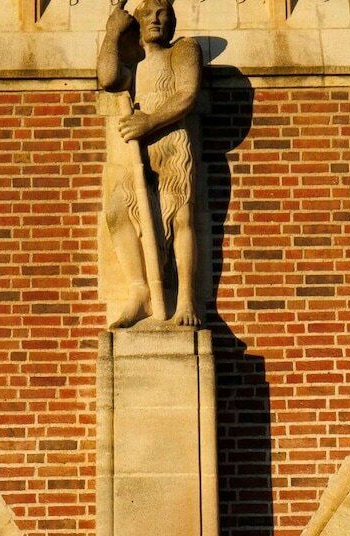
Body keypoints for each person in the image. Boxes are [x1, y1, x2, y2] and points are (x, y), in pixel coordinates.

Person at [97, 0, 202, 328]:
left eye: (163, 15)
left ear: (172, 22)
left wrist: (150, 121)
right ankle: (140, 292)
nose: (156, 20)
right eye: (148, 15)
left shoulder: (183, 51)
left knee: (181, 216)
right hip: (133, 147)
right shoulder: (135, 60)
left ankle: (185, 297)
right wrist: (112, 33)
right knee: (117, 210)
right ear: (137, 23)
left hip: (171, 142)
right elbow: (109, 78)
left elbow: (187, 94)